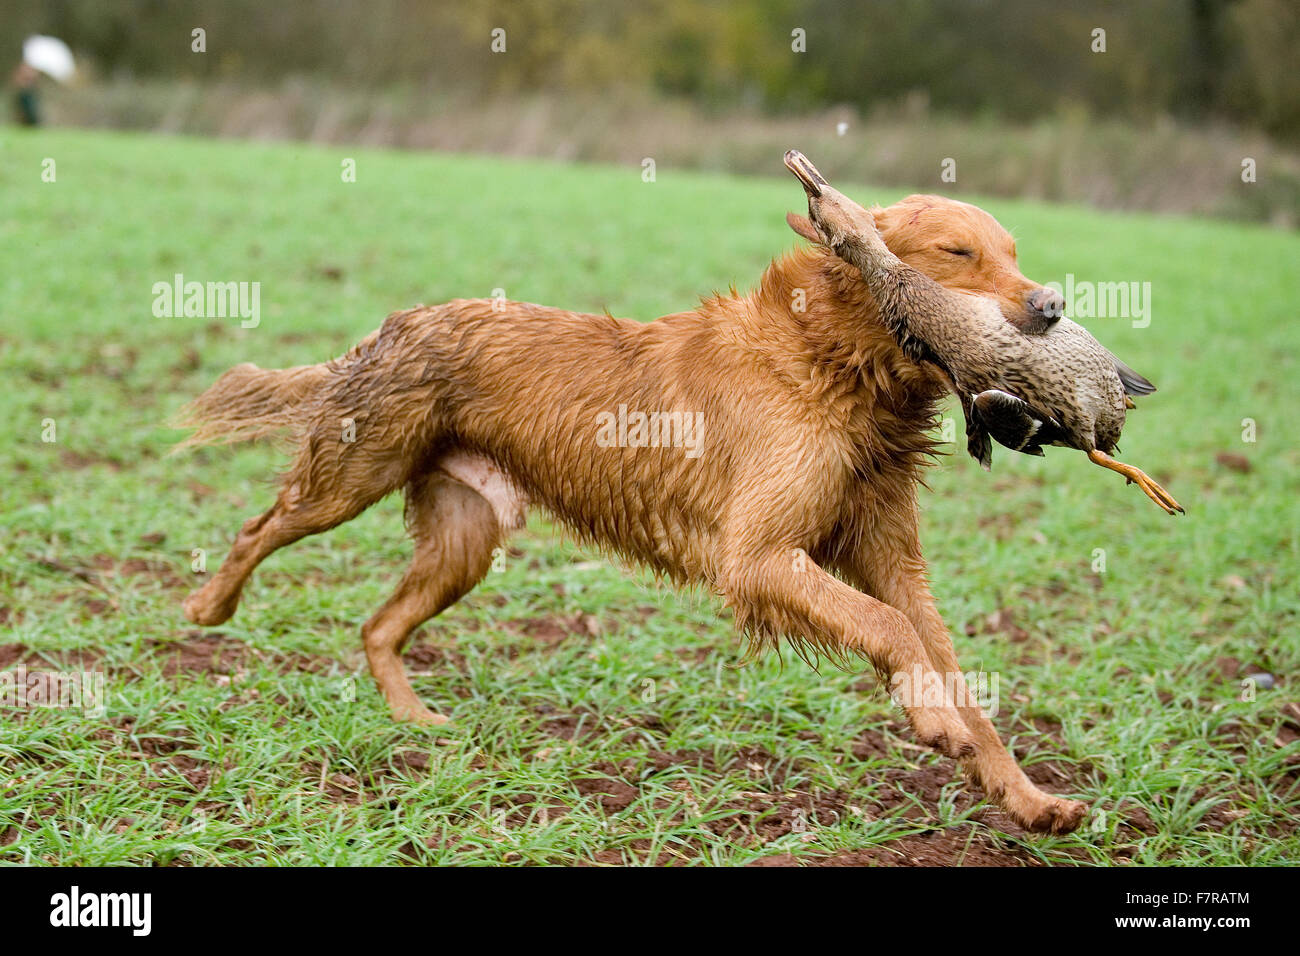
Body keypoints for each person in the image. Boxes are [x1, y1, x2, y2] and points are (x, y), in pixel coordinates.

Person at [12, 61, 40, 126]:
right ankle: (22, 124)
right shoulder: (21, 71)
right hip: (23, 94)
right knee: (22, 111)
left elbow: (35, 83)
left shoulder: (33, 72)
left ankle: (32, 124)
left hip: (30, 94)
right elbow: (17, 82)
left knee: (31, 111)